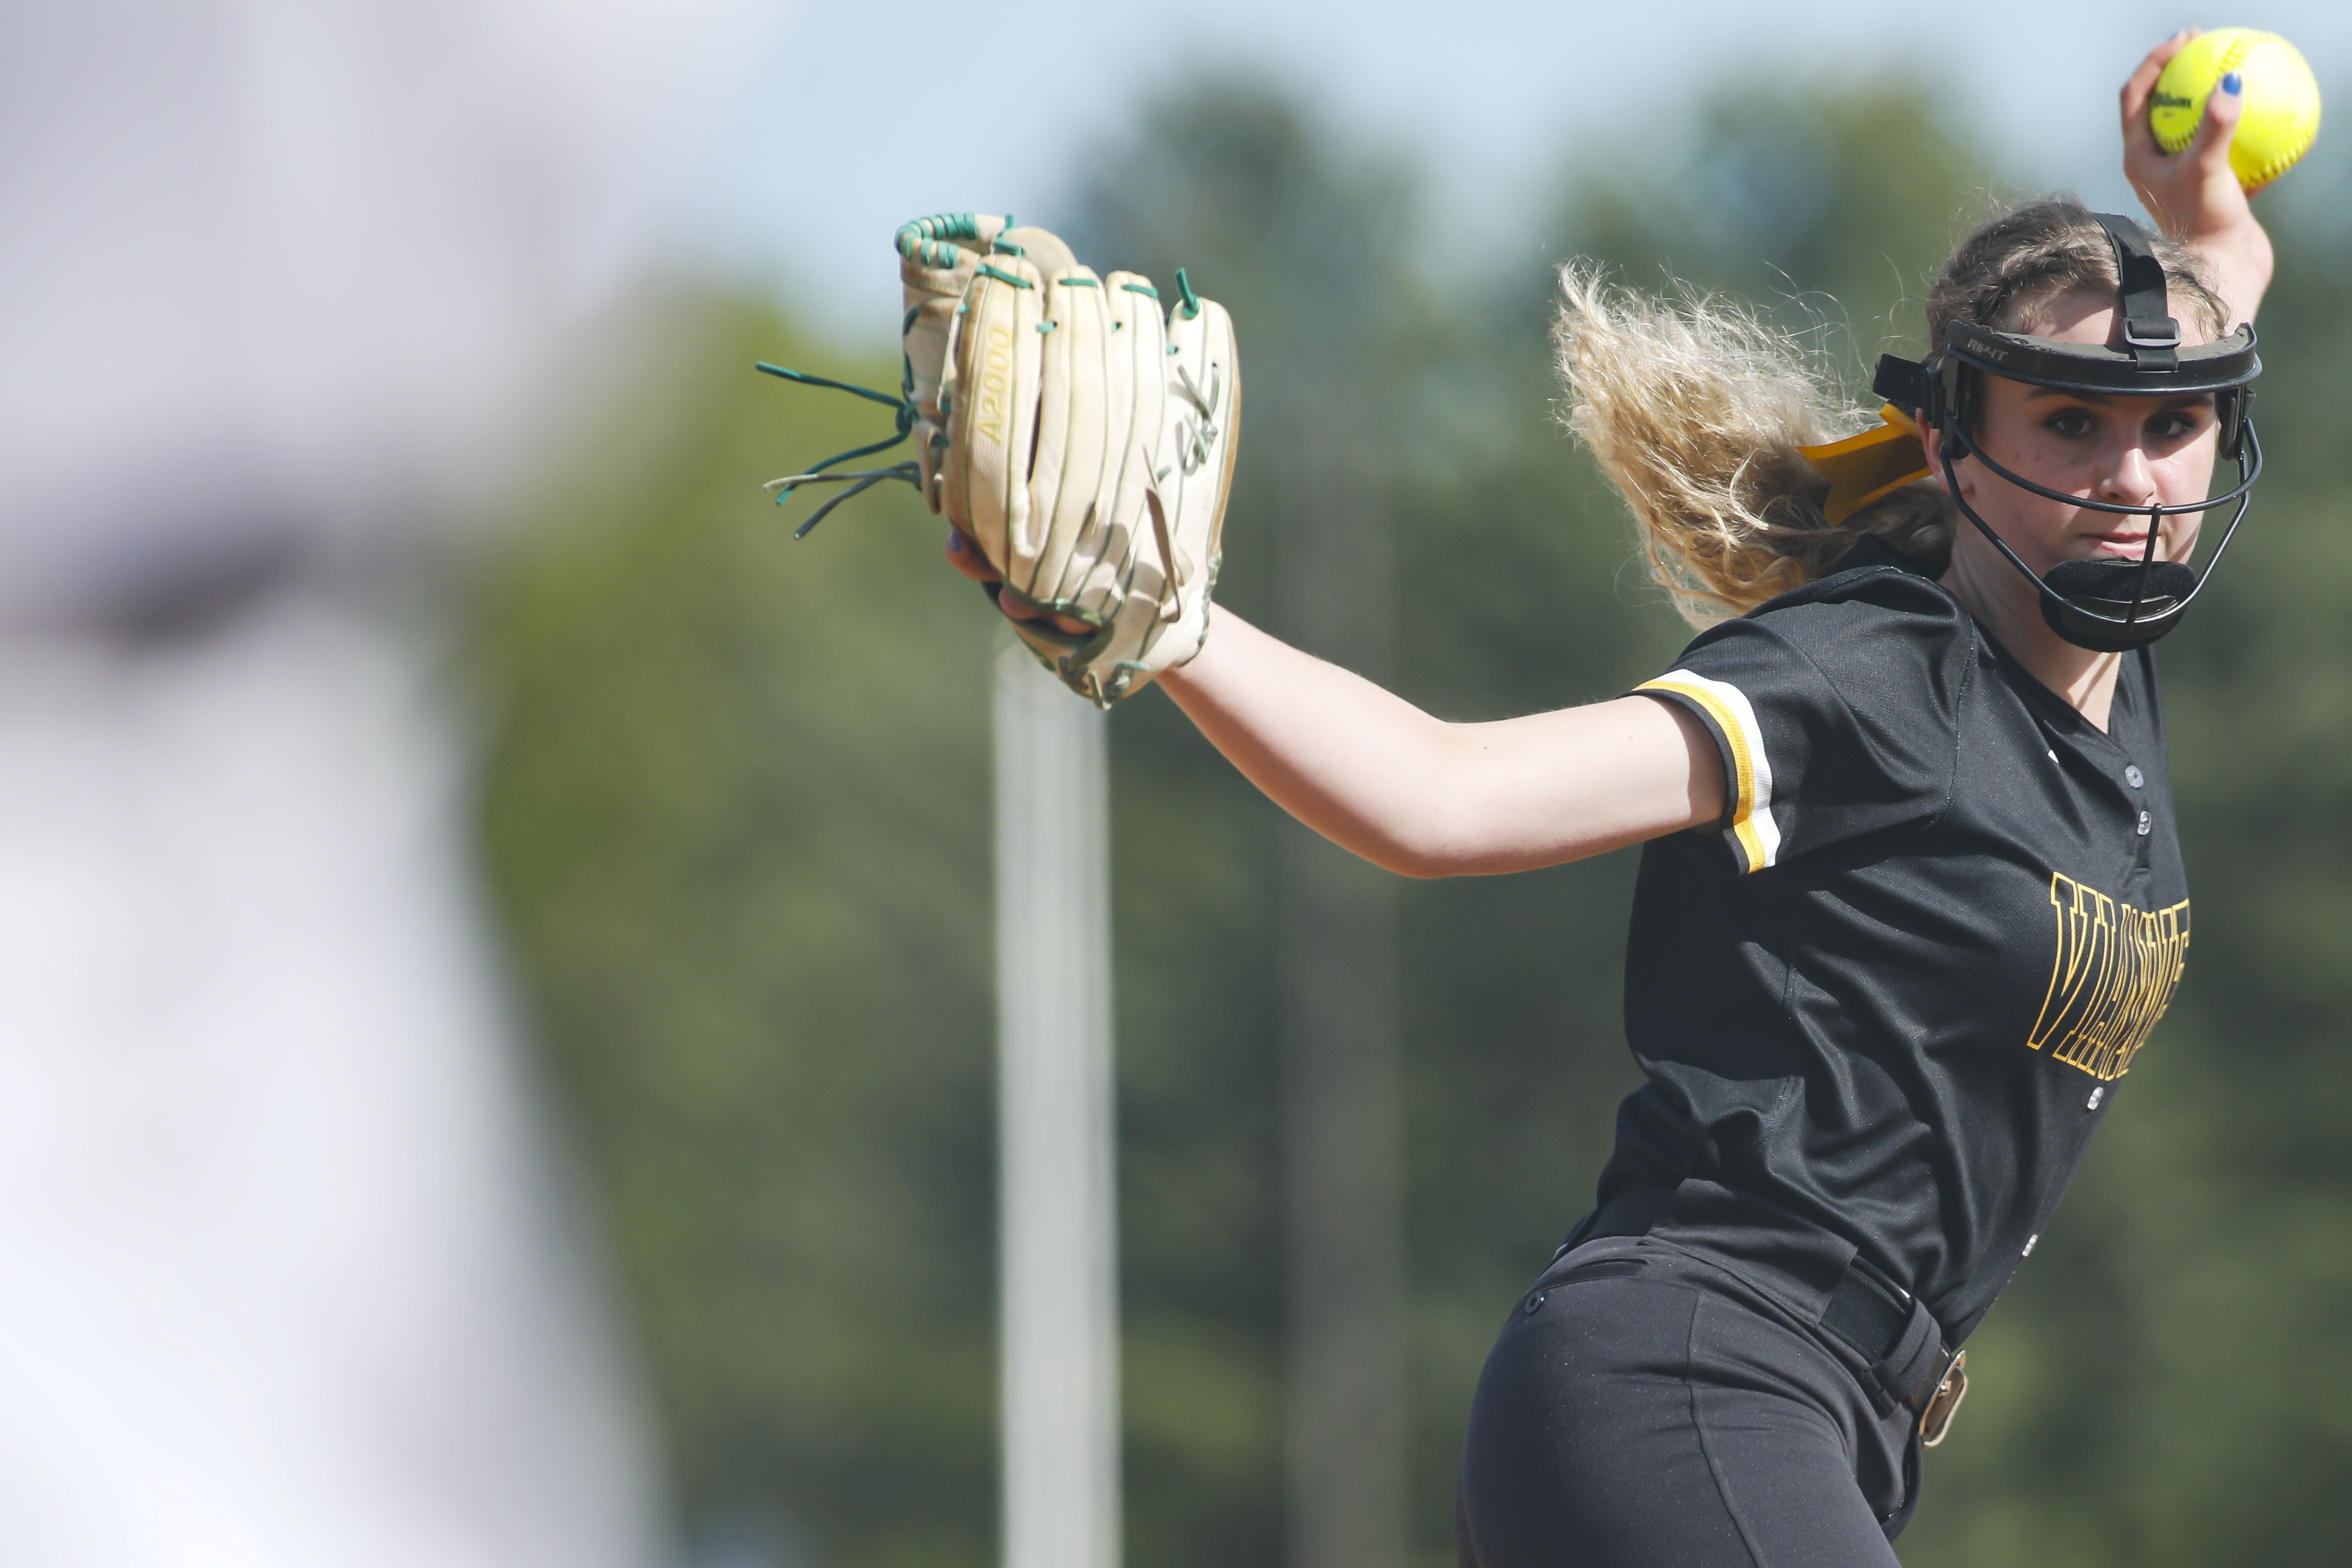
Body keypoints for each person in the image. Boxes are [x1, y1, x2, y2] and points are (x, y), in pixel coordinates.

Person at [945, 30, 2273, 1566]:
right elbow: (1437, 797)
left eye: (2174, 426)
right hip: (1689, 1384)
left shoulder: (2109, 612)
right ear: (1950, 439)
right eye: (2069, 422)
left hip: (1814, 1432)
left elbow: (2206, 311)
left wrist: (2202, 210)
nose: (2134, 475)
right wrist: (1167, 623)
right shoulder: (1872, 677)